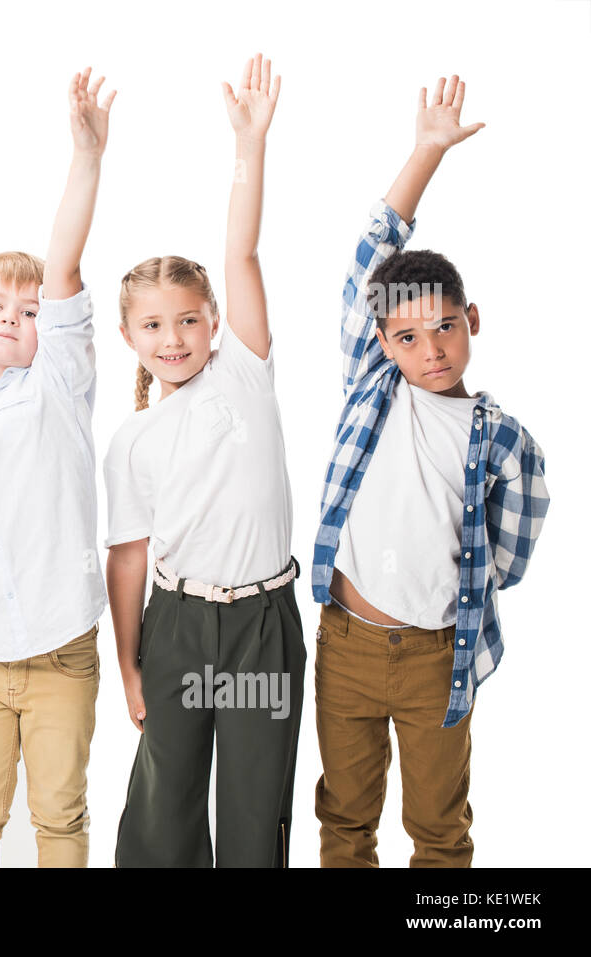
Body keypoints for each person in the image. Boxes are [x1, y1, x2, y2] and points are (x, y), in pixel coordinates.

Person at [312, 75, 549, 867]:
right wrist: (426, 152)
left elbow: (514, 535)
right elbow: (367, 259)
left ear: (471, 320)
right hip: (346, 643)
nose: (432, 348)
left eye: (446, 327)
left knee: (439, 830)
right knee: (345, 819)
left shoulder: (499, 435)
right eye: (409, 336)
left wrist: (465, 585)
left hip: (434, 657)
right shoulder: (372, 388)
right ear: (382, 342)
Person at [105, 54, 303, 867]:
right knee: (166, 808)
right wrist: (129, 665)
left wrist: (249, 143)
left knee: (256, 813)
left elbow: (242, 253)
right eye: (153, 326)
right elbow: (127, 558)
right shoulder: (134, 440)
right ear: (130, 338)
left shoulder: (245, 373)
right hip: (179, 627)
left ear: (215, 322)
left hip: (263, 623)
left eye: (188, 320)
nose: (174, 339)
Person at [0, 67, 114, 868]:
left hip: (58, 647)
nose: (15, 319)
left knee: (60, 813)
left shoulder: (59, 385)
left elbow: (65, 266)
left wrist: (85, 157)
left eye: (31, 310)